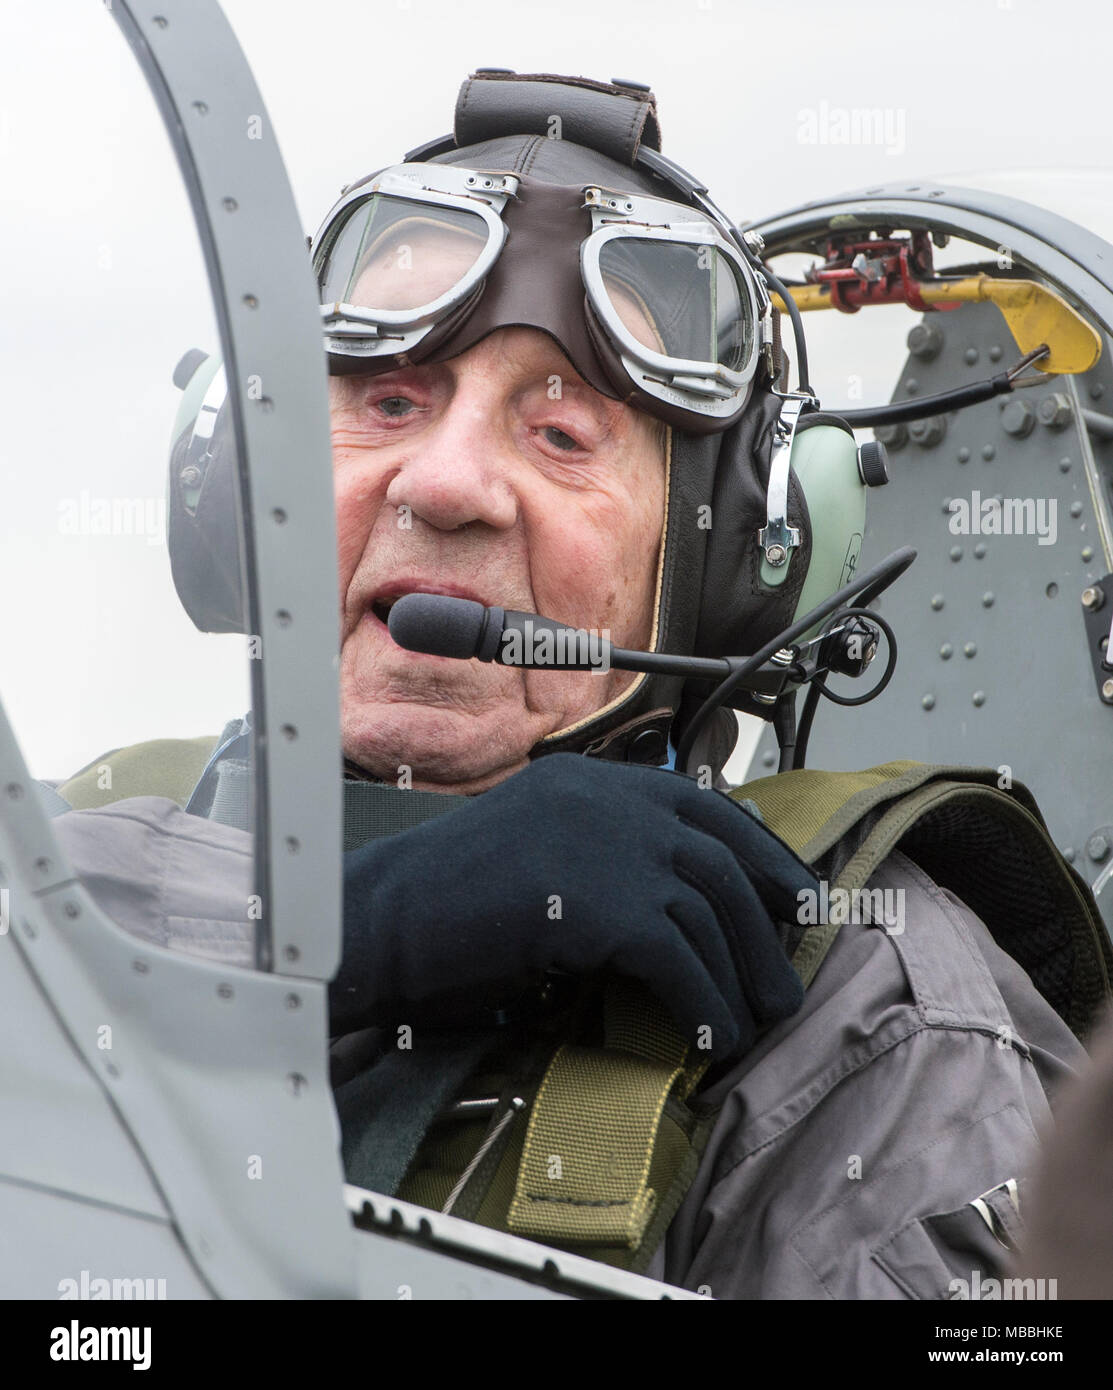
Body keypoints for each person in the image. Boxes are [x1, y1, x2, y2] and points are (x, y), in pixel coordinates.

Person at [52, 71, 1106, 1299]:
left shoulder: (860, 1010)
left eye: (560, 436)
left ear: (735, 557)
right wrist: (343, 927)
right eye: (391, 400)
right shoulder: (83, 858)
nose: (444, 486)